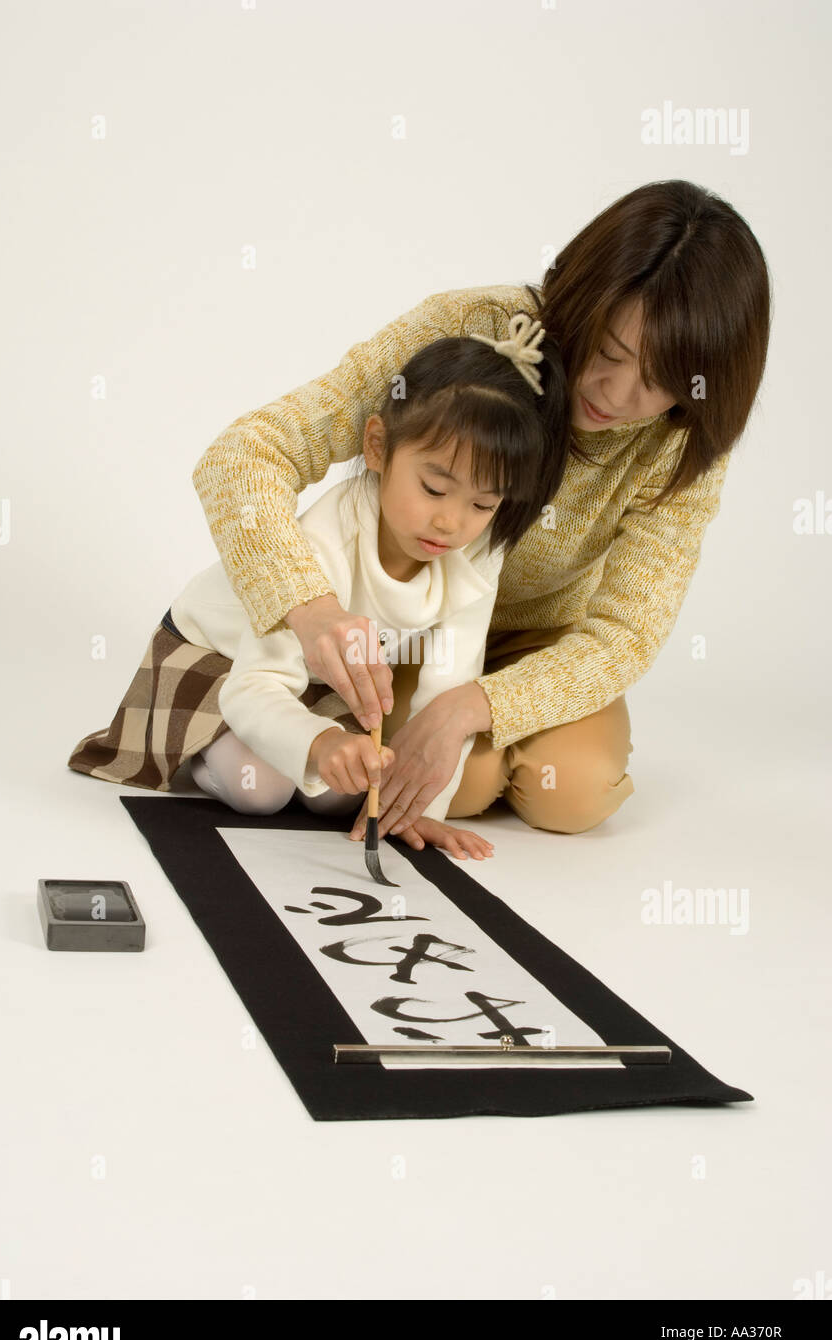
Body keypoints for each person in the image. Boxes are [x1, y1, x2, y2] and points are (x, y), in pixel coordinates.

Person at [183, 179, 770, 842]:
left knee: (575, 795)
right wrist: (310, 607)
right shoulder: (474, 331)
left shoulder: (684, 445)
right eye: (607, 352)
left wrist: (479, 704)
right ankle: (466, 759)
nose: (615, 392)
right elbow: (244, 454)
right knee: (447, 788)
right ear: (578, 298)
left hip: (539, 639)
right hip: (410, 623)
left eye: (659, 379)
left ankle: (487, 738)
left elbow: (626, 634)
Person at [67, 315, 572, 860]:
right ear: (378, 447)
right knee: (259, 787)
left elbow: (451, 680)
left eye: (483, 503)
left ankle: (299, 751)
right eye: (433, 487)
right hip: (222, 661)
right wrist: (321, 742)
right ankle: (200, 755)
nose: (452, 523)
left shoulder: (476, 552)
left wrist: (425, 808)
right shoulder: (325, 541)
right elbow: (253, 685)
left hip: (316, 679)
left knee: (348, 791)